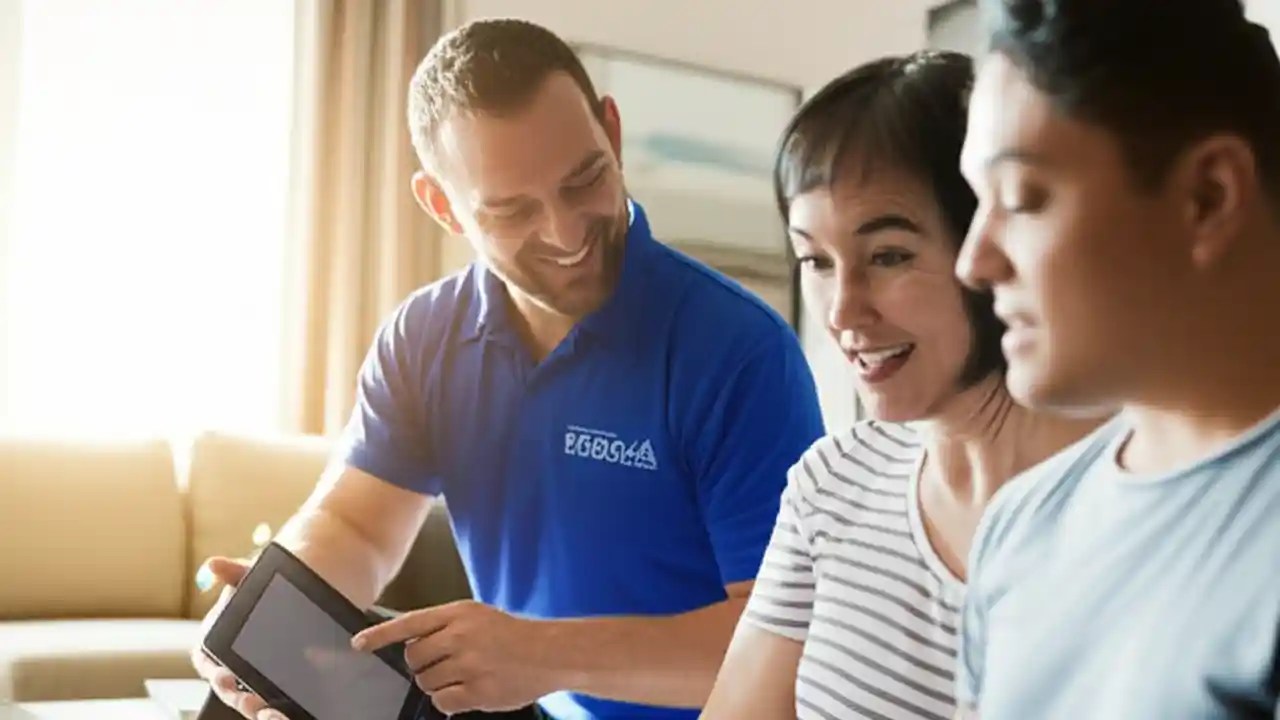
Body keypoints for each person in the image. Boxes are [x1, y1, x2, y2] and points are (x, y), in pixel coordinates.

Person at [191, 18, 825, 720]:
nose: (565, 233)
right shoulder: (426, 337)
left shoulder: (740, 354)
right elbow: (355, 528)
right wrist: (280, 604)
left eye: (585, 179)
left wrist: (541, 654)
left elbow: (786, 650)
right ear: (442, 206)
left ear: (611, 133)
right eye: (513, 211)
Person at [698, 52, 1099, 720]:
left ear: (992, 245)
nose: (842, 311)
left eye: (889, 256)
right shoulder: (832, 483)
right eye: (817, 261)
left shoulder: (1138, 509)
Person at [954, 1, 1280, 717]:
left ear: (1207, 195)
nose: (974, 262)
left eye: (1022, 198)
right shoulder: (1020, 528)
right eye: (978, 202)